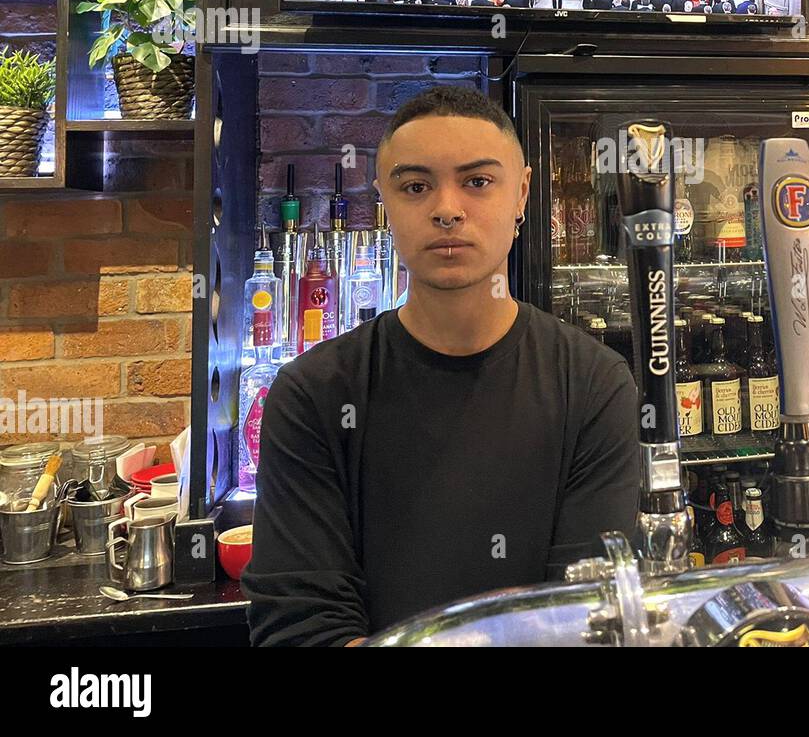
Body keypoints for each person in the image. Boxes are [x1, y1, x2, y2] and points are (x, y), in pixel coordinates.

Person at [243, 87, 639, 645]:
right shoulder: (313, 395)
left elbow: (586, 615)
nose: (447, 208)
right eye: (416, 186)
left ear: (521, 194)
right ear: (384, 200)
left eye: (477, 182)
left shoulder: (594, 385)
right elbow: (301, 629)